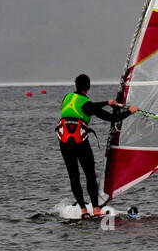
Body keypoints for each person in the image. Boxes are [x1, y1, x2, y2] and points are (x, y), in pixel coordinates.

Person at [56, 73, 138, 216]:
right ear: (88, 87)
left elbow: (88, 106)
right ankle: (95, 209)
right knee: (89, 175)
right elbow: (113, 118)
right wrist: (130, 112)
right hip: (79, 142)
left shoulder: (67, 98)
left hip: (64, 142)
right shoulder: (88, 105)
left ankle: (82, 210)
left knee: (73, 176)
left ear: (75, 86)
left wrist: (107, 102)